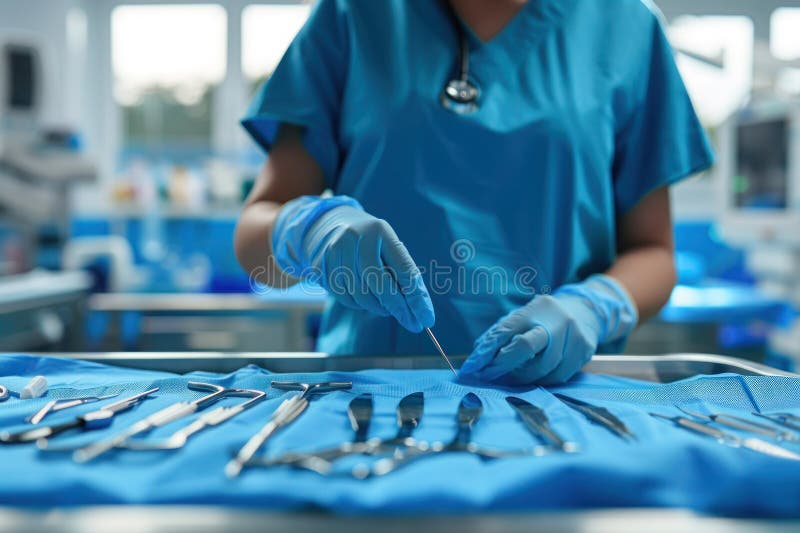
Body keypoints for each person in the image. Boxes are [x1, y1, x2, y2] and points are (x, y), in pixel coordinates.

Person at [234, 0, 714, 386]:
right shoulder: (353, 15)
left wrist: (594, 306)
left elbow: (654, 253)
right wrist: (307, 231)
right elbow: (254, 239)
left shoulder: (625, 26)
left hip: (562, 397)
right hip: (369, 393)